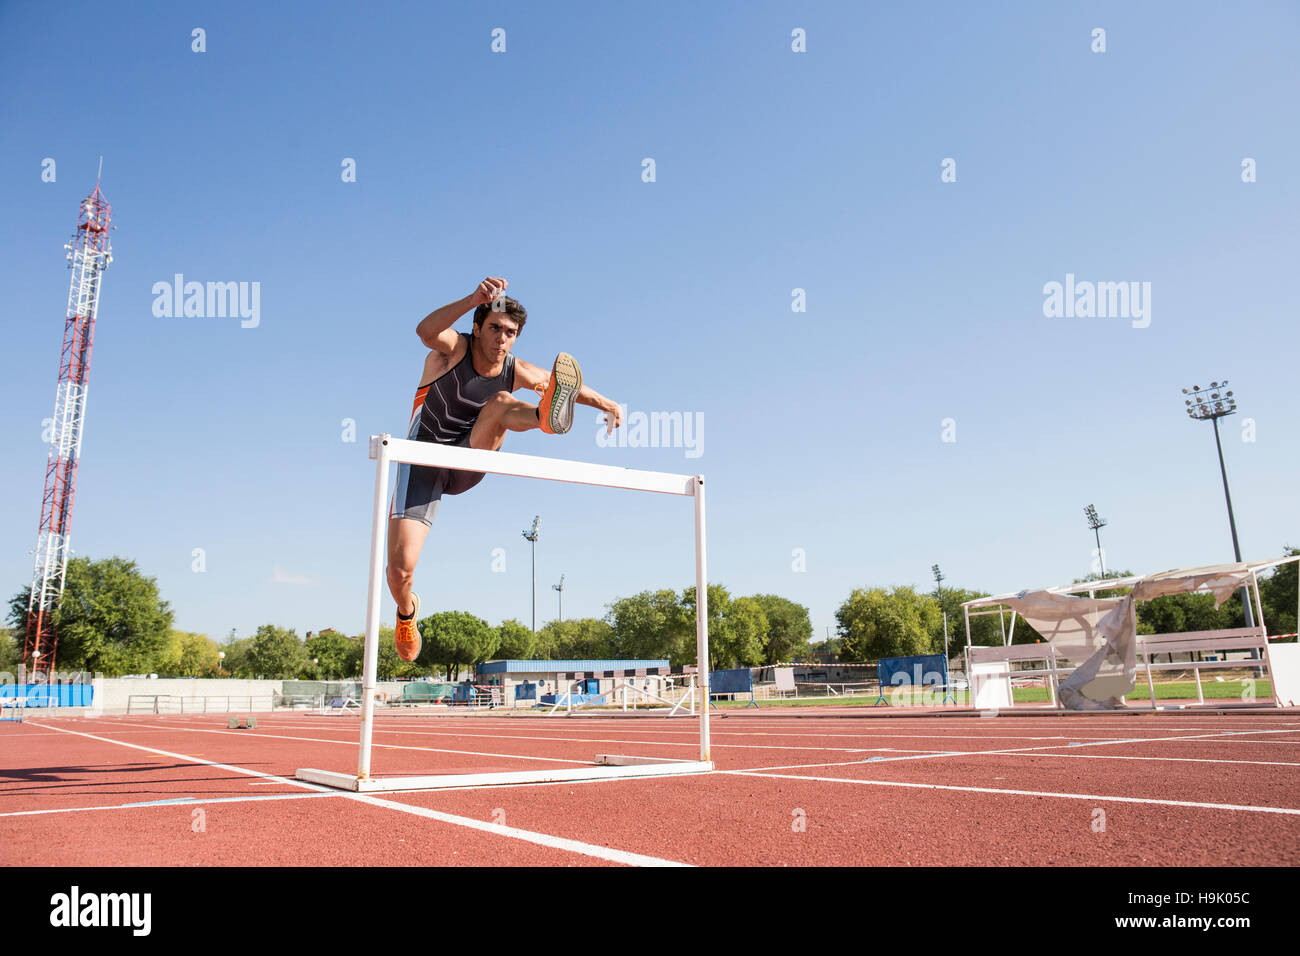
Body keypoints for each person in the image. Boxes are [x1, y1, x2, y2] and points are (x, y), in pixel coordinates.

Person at [387, 276, 624, 662]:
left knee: (500, 400)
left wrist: (609, 404)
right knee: (399, 572)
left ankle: (545, 418)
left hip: (470, 457)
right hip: (423, 462)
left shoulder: (515, 369)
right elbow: (425, 330)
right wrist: (473, 299)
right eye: (495, 328)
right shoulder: (452, 350)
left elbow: (567, 385)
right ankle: (406, 611)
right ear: (478, 328)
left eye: (510, 333)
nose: (502, 338)